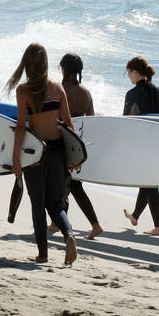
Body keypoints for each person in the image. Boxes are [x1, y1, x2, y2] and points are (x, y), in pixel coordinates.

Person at [7, 43, 78, 266]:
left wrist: (15, 158)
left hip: (36, 153)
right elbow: (68, 124)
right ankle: (69, 235)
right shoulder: (57, 89)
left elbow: (20, 126)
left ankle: (43, 254)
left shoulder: (23, 91)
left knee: (37, 205)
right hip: (57, 151)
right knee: (55, 204)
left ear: (26, 65)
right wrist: (74, 155)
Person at [122, 56, 159, 235]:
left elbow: (127, 120)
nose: (129, 77)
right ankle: (135, 216)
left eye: (128, 73)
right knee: (148, 181)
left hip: (142, 143)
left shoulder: (132, 94)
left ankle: (158, 227)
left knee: (149, 182)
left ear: (134, 72)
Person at [59, 53, 103, 238]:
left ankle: (63, 222)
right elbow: (91, 121)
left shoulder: (59, 90)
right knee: (72, 185)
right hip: (77, 144)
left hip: (61, 141)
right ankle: (60, 222)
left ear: (64, 69)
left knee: (64, 184)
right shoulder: (86, 93)